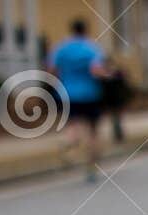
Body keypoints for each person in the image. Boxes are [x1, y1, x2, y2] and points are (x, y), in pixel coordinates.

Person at [47, 20, 111, 181]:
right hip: (89, 94)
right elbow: (96, 71)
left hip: (67, 94)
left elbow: (51, 70)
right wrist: (109, 75)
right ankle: (91, 168)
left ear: (72, 30)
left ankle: (67, 143)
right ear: (85, 30)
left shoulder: (61, 48)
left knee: (73, 124)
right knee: (93, 131)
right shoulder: (92, 48)